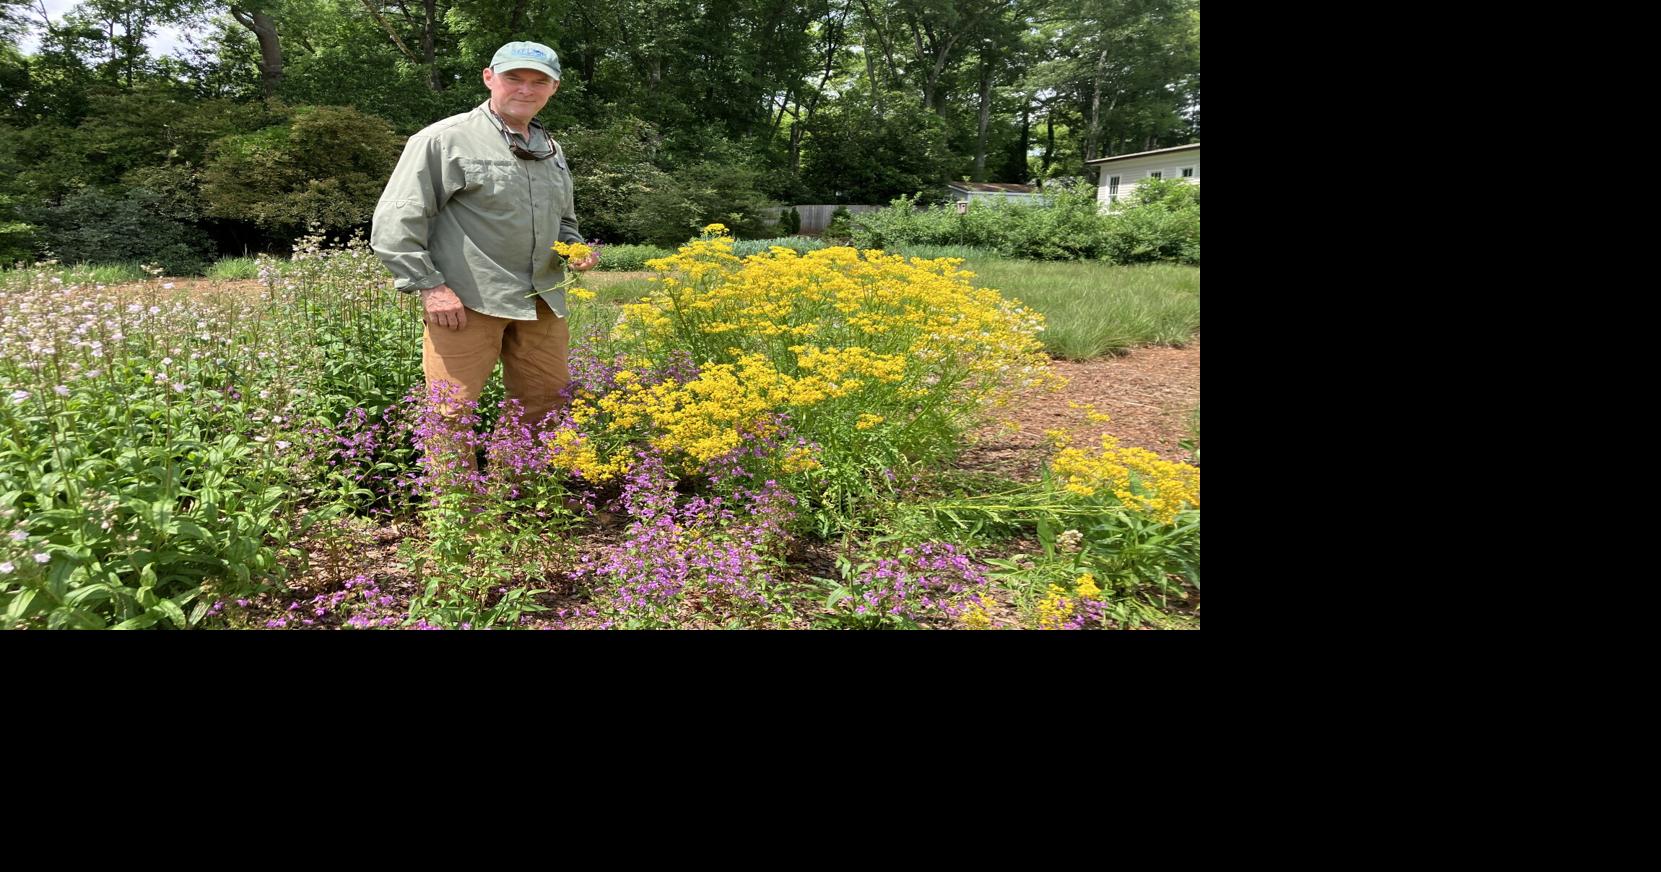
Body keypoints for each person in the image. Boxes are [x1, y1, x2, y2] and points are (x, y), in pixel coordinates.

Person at [371, 40, 598, 439]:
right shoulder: (444, 139)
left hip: (542, 299)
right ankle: (452, 484)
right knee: (452, 410)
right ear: (489, 78)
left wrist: (575, 247)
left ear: (554, 88)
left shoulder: (551, 149)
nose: (525, 89)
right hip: (465, 300)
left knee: (545, 400)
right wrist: (430, 287)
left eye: (538, 81)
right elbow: (396, 219)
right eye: (514, 78)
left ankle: (516, 474)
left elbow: (563, 219)